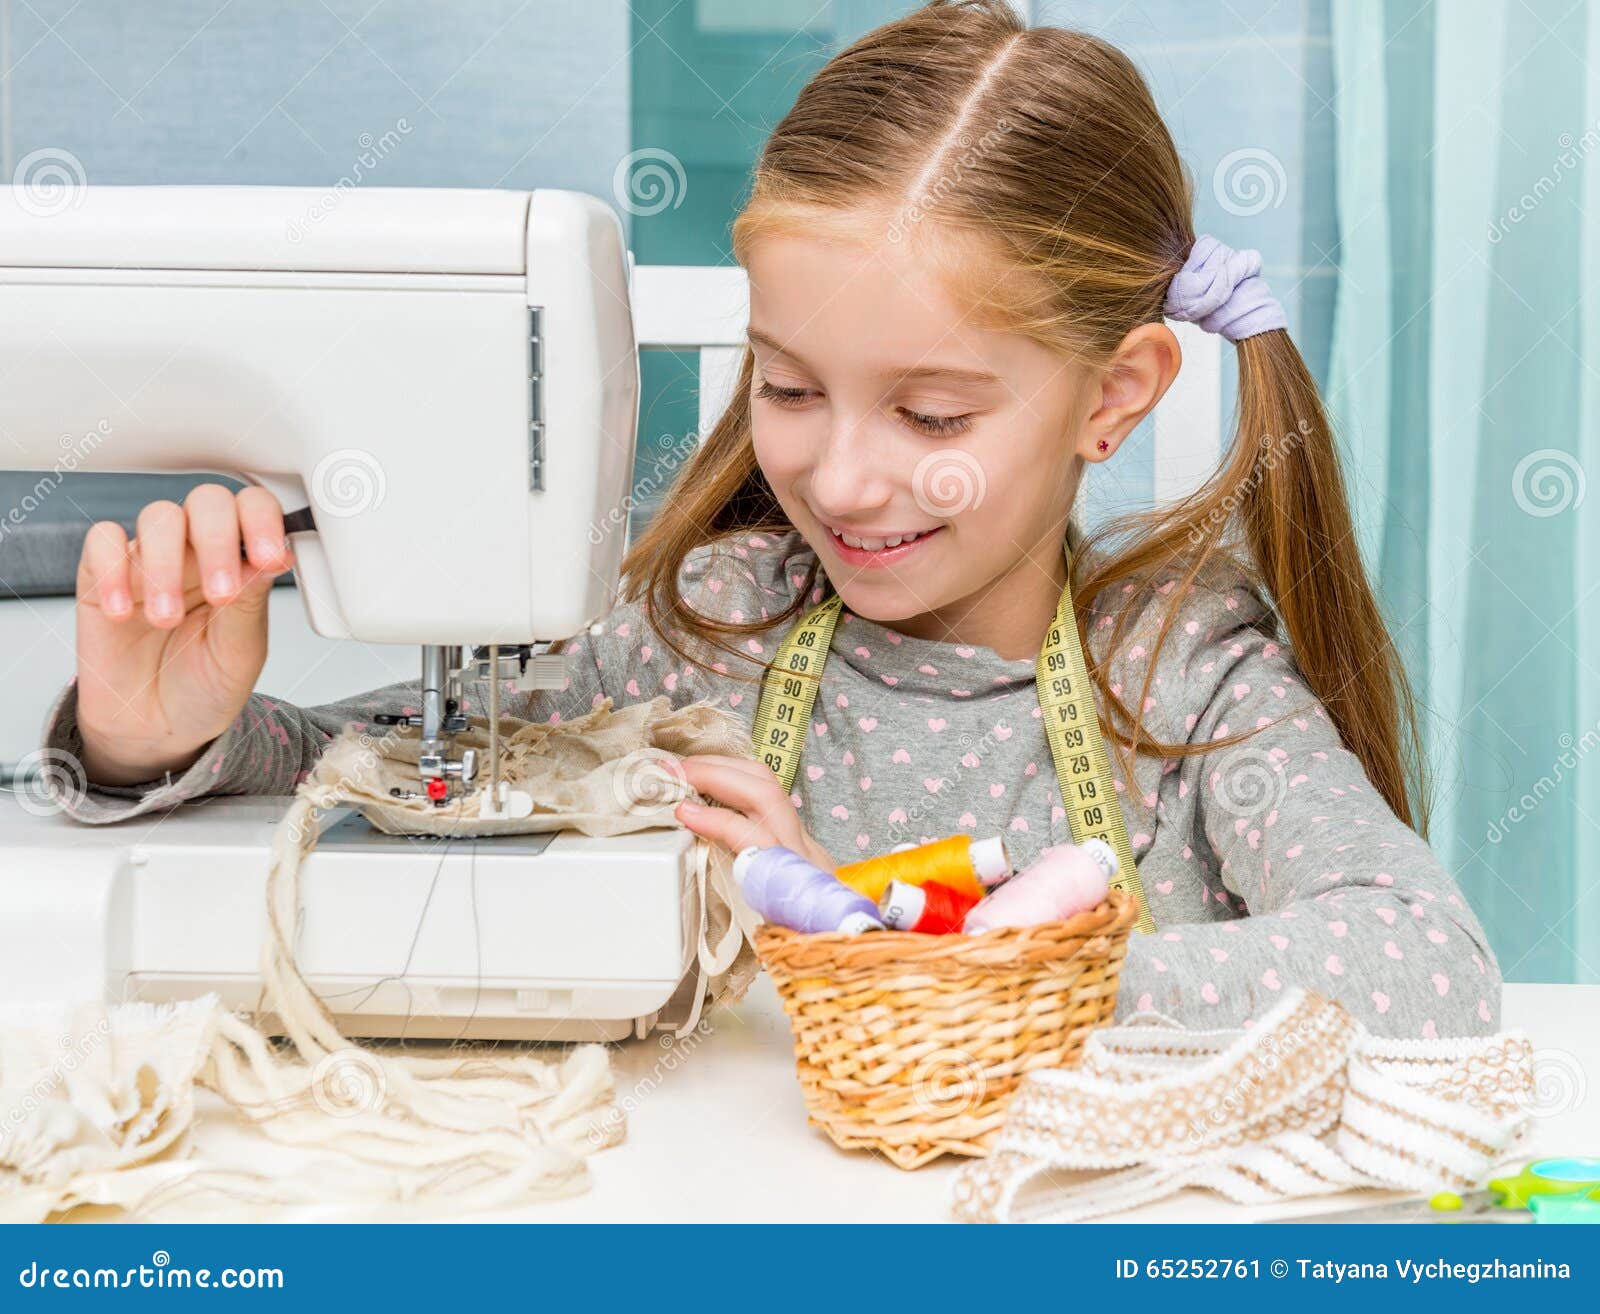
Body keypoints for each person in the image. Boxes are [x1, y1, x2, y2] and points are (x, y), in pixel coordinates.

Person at [42, 0, 1500, 1037]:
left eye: (931, 417)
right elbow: (406, 770)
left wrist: (910, 946)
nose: (846, 478)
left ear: (1112, 398)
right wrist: (165, 731)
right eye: (791, 386)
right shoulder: (712, 632)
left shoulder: (1177, 677)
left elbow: (1427, 959)